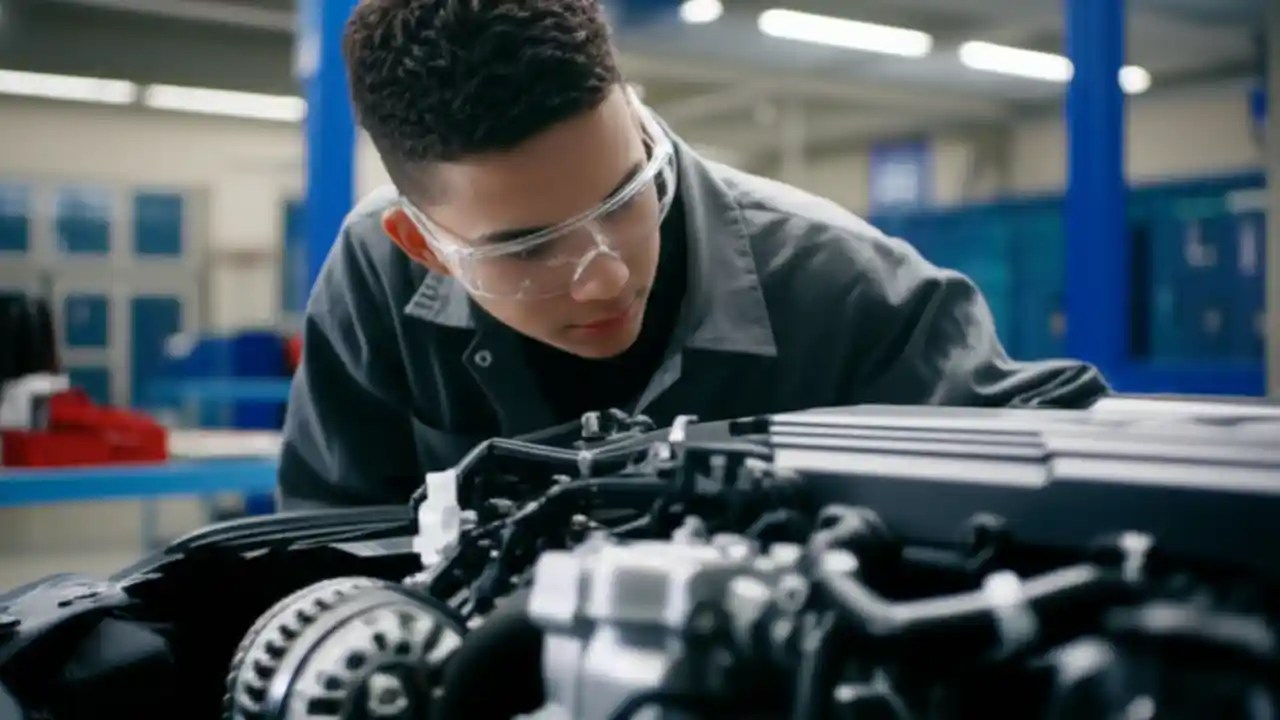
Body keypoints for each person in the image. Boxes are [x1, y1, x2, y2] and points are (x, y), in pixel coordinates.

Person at [276, 0, 1109, 510]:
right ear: (424, 246)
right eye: (527, 249)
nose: (603, 274)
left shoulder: (845, 288)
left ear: (638, 121)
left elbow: (1061, 454)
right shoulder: (373, 285)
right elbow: (320, 546)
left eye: (623, 198)